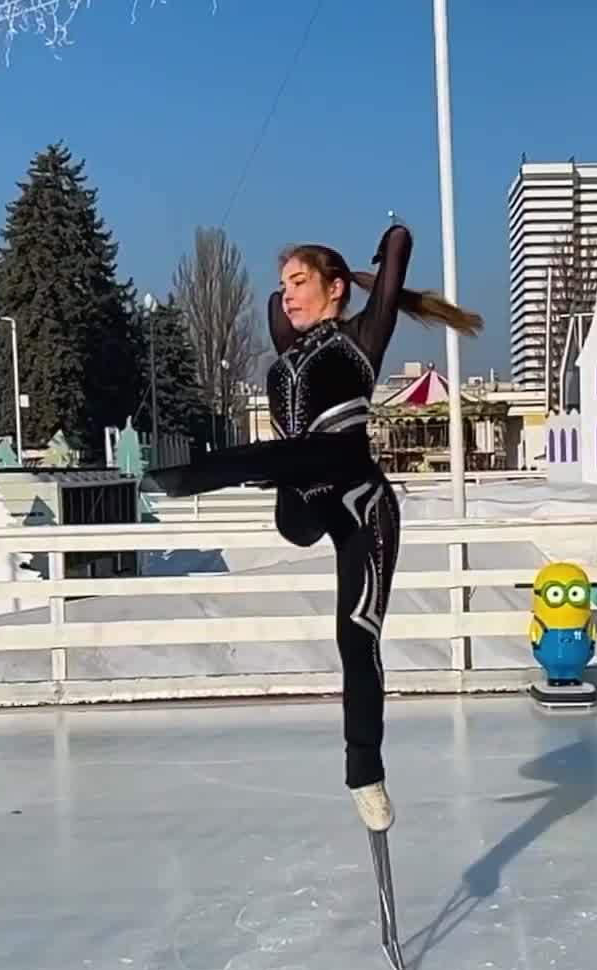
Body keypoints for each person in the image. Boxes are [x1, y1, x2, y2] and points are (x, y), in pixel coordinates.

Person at [146, 223, 482, 835]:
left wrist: (375, 262)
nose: (286, 295)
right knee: (301, 454)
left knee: (356, 637)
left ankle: (365, 771)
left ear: (334, 288)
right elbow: (280, 308)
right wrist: (301, 278)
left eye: (300, 282)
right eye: (282, 285)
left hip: (360, 503)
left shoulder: (363, 337)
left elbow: (402, 241)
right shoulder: (286, 346)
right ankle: (228, 468)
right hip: (301, 500)